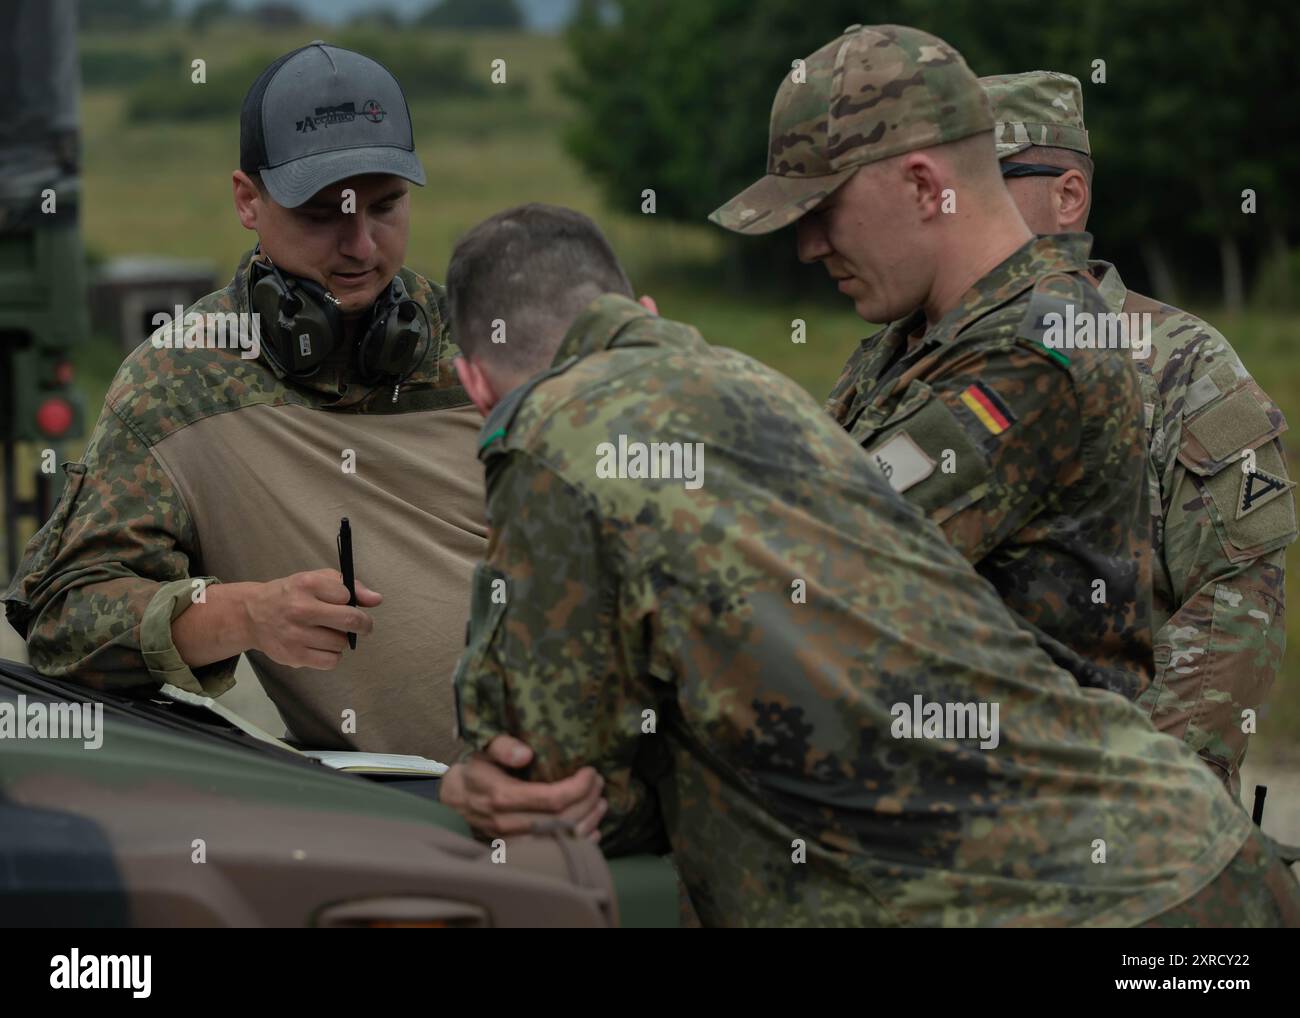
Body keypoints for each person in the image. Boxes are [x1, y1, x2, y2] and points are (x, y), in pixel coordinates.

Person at [445, 200, 1298, 927]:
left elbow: (563, 783)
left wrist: (475, 779)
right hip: (1196, 860)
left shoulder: (552, 437)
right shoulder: (768, 394)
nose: (813, 247)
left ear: (475, 383)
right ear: (648, 311)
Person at [2, 42, 604, 838]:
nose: (360, 246)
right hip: (401, 823)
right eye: (324, 213)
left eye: (384, 205)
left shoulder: (486, 342)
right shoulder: (179, 384)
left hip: (591, 794)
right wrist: (238, 615)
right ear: (246, 200)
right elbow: (63, 618)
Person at [709, 25, 1153, 700]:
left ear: (923, 187)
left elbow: (823, 572)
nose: (808, 246)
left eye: (823, 209)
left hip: (1018, 793)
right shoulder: (920, 334)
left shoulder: (1032, 352)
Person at [979, 70, 1297, 794]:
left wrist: (1141, 800)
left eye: (994, 182)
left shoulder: (1186, 364)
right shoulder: (914, 363)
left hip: (1125, 813)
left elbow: (1235, 599)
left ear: (1068, 196)